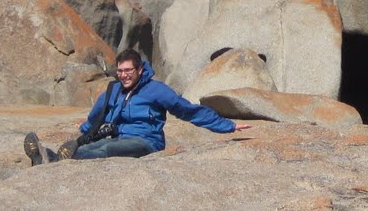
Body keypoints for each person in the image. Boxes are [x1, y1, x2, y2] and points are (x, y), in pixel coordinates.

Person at [22, 49, 250, 163]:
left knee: (109, 151)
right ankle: (50, 157)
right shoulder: (113, 90)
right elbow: (96, 117)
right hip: (117, 137)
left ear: (140, 69)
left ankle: (58, 160)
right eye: (120, 71)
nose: (123, 75)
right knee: (96, 147)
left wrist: (226, 126)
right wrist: (84, 129)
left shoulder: (156, 91)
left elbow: (187, 110)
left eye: (128, 71)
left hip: (146, 143)